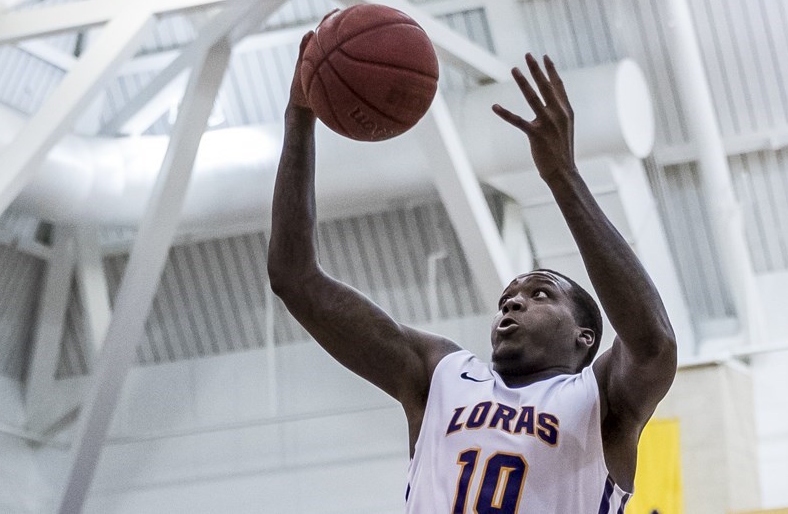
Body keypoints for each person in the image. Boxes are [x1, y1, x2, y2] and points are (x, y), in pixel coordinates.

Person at [268, 31, 677, 513]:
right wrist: (300, 116)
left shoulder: (601, 401)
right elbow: (295, 277)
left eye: (541, 294)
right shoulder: (438, 375)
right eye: (509, 297)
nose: (514, 301)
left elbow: (654, 344)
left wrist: (562, 176)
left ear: (585, 338)